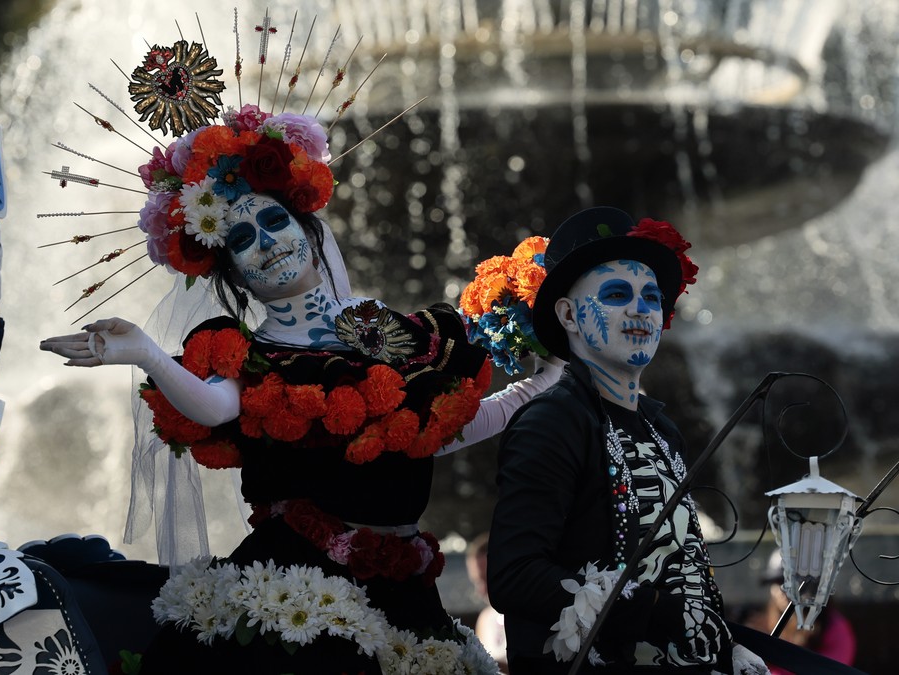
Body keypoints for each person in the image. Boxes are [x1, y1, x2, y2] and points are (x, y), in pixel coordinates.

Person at [40, 99, 562, 672]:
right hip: (297, 586)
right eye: (241, 239)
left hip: (402, 584)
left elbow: (434, 434)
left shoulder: (386, 328)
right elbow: (216, 408)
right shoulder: (249, 352)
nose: (265, 242)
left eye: (273, 222)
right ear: (234, 273)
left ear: (307, 229)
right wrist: (146, 355)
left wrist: (539, 387)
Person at [486, 207, 768, 674]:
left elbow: (686, 560)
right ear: (569, 315)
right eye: (617, 294)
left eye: (652, 297)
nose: (641, 310)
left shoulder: (662, 426)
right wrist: (651, 612)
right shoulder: (552, 421)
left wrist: (722, 644)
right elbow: (514, 577)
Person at [746, 550, 857, 674]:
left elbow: (832, 670)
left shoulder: (833, 627)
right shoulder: (762, 625)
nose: (781, 590)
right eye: (776, 583)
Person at [467, 532, 509, 670]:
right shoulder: (485, 619)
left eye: (486, 579)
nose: (481, 590)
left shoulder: (530, 614)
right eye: (477, 582)